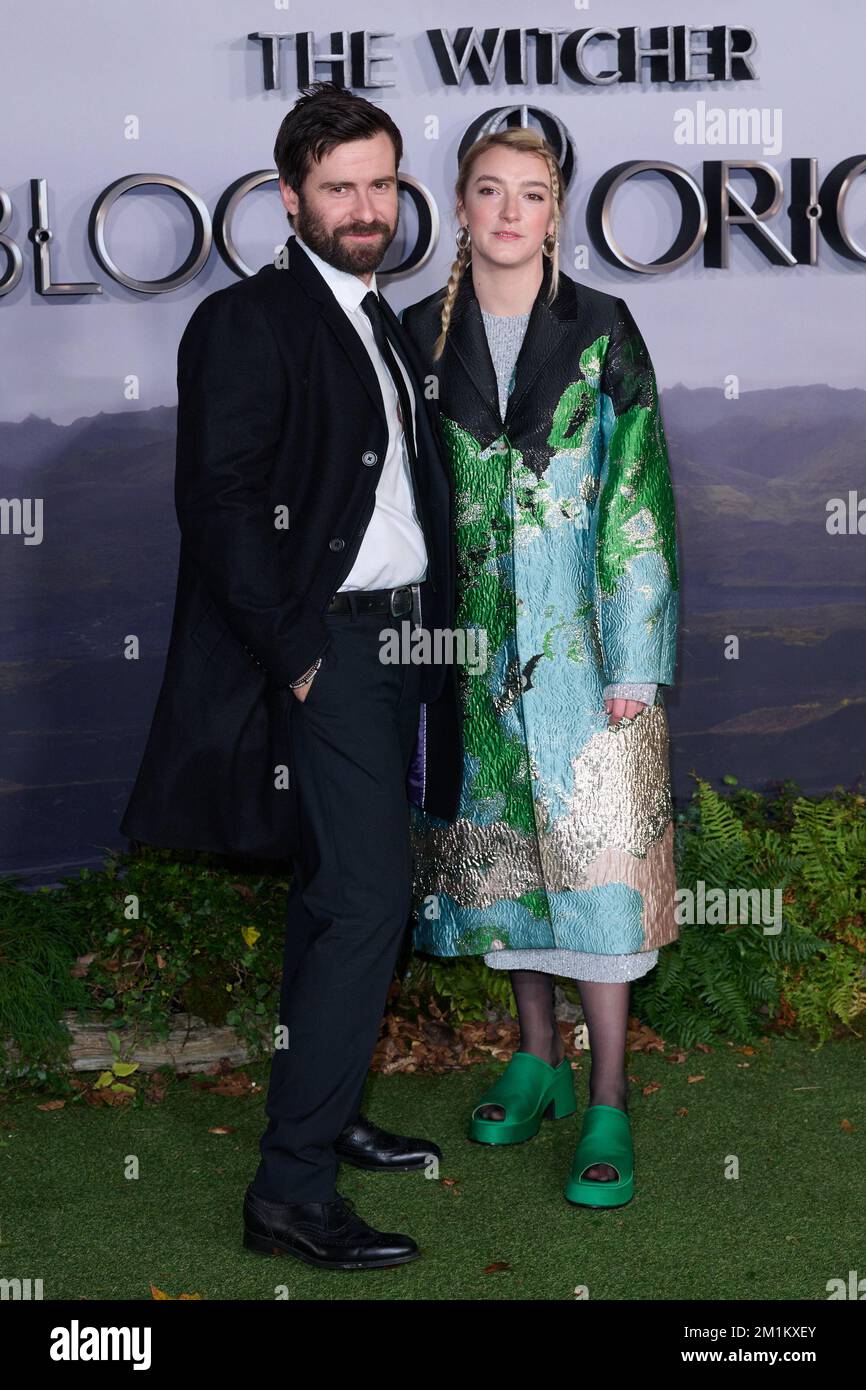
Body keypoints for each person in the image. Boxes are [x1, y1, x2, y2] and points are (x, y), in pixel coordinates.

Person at [120, 81, 461, 1268]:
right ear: (290, 197)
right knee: (366, 902)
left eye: (379, 183)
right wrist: (300, 657)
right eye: (337, 189)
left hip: (410, 646)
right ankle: (288, 1195)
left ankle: (327, 1107)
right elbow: (216, 504)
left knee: (337, 901)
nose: (365, 208)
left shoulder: (382, 314)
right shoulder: (247, 321)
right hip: (334, 654)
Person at [402, 127, 680, 1210]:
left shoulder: (602, 329)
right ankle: (536, 1059)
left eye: (533, 195)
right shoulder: (420, 338)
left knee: (600, 875)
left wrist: (636, 660)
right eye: (489, 191)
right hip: (464, 652)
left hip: (585, 647)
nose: (510, 212)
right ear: (460, 206)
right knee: (502, 864)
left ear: (556, 213)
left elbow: (636, 500)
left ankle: (606, 1091)